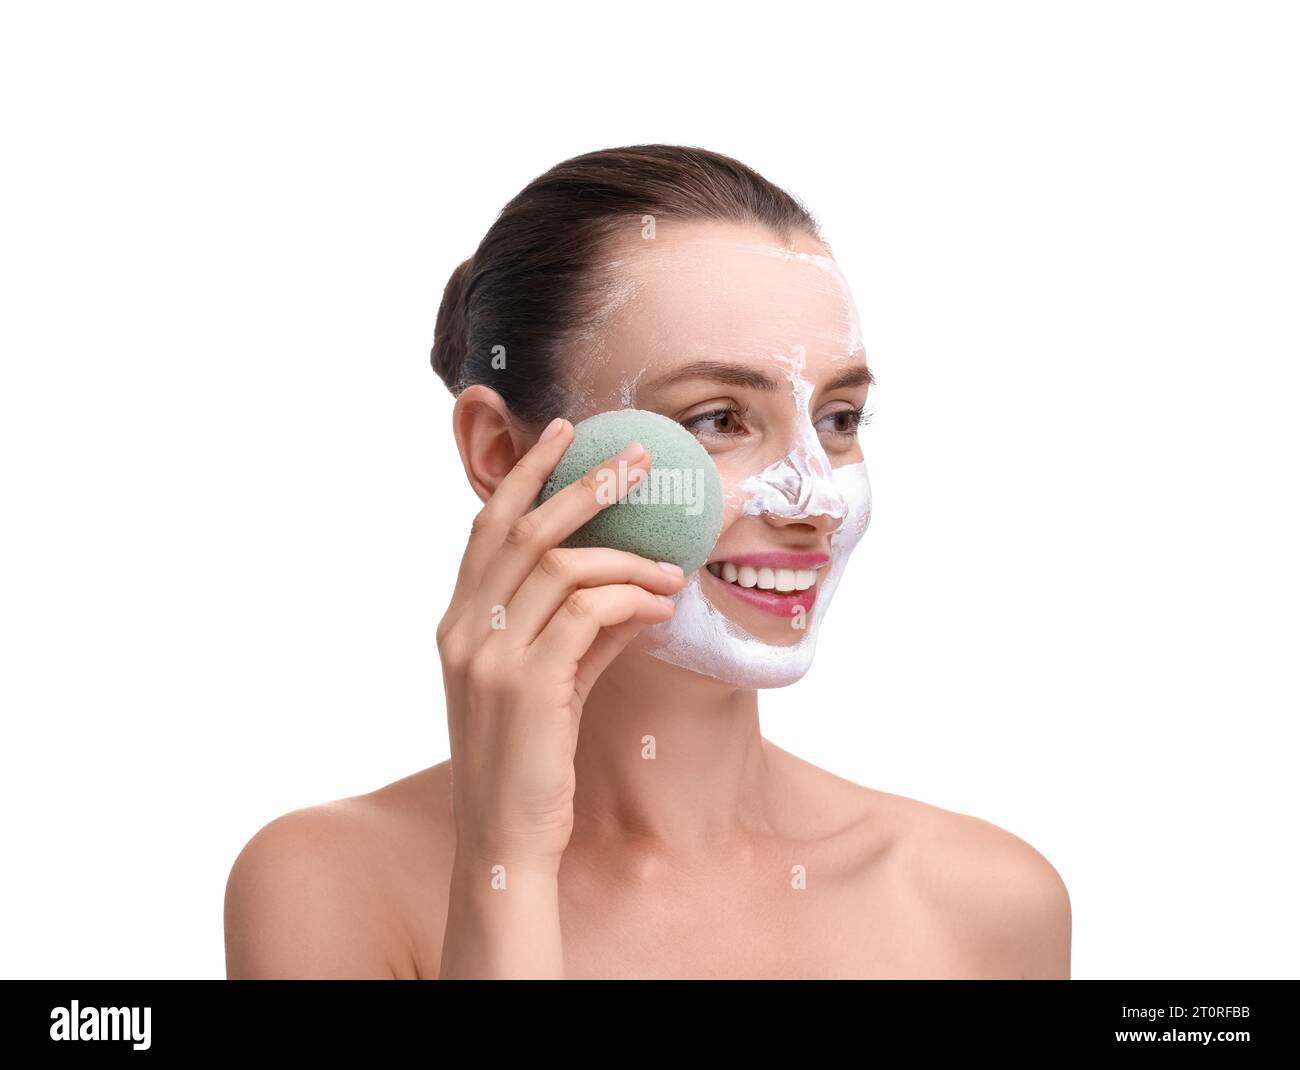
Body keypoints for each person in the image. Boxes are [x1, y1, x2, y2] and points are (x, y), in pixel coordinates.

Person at [224, 144, 1071, 979]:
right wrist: (506, 858)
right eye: (717, 419)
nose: (815, 498)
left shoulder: (983, 904)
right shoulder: (328, 885)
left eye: (841, 418)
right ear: (498, 451)